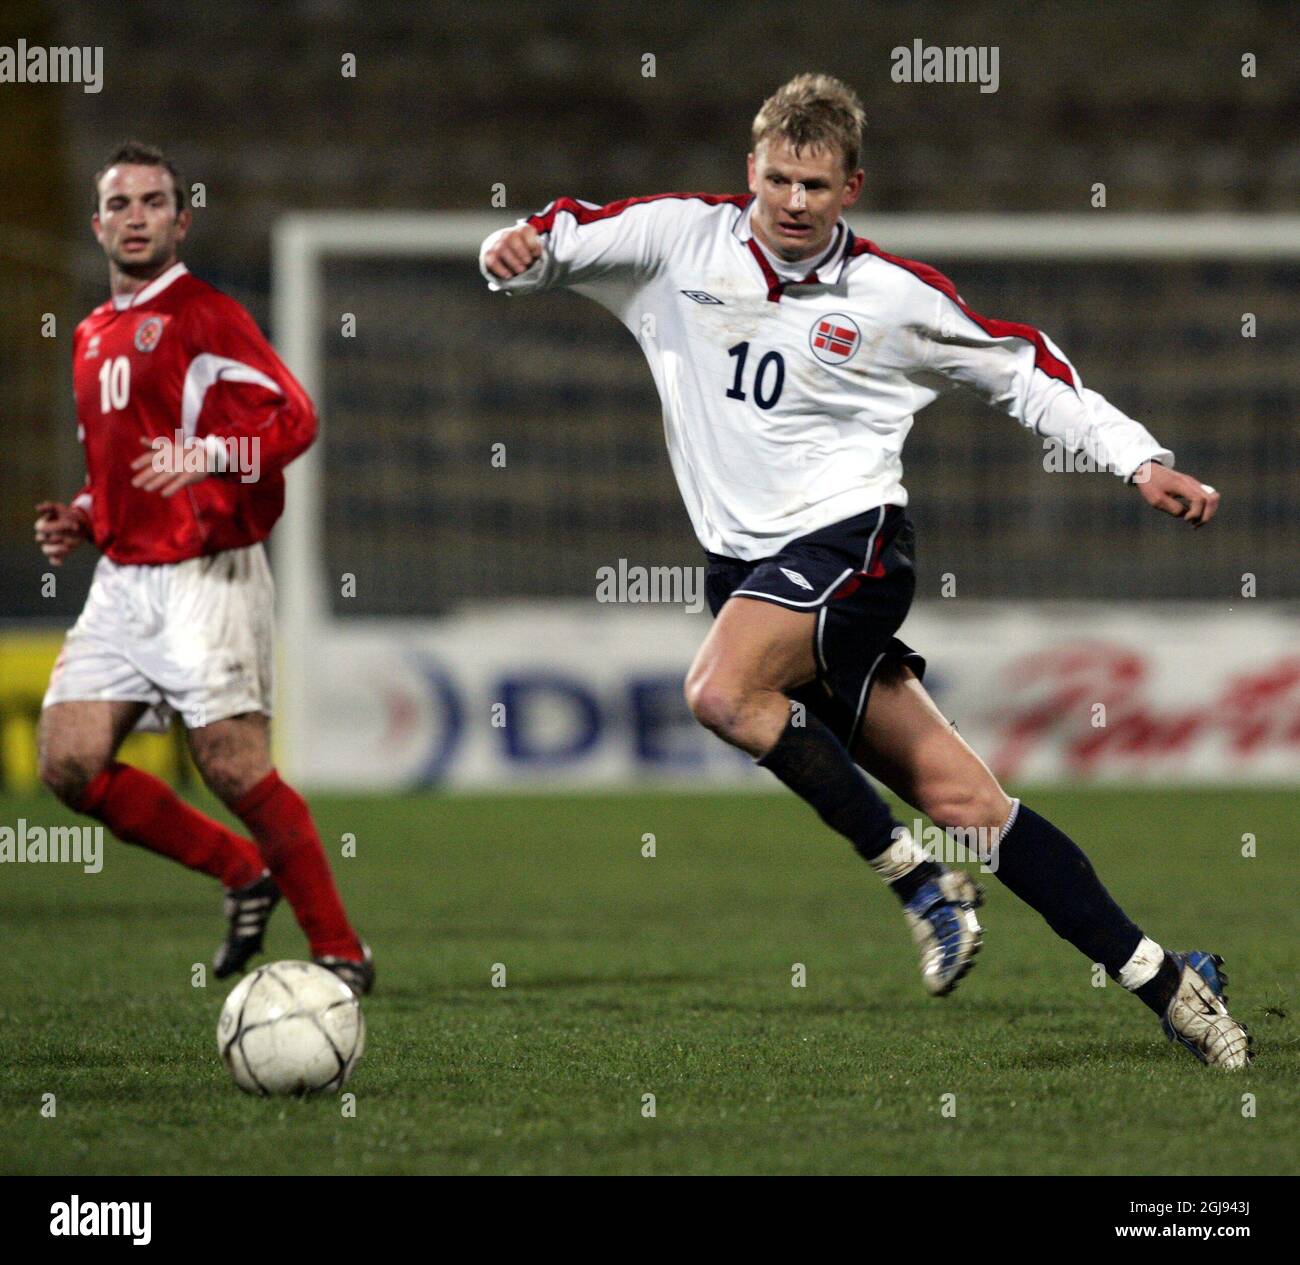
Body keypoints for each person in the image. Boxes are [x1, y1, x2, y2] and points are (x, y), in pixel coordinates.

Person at [479, 75, 1250, 1066]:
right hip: (749, 581)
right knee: (970, 807)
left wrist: (1136, 458)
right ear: (749, 171)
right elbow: (554, 238)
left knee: (719, 692)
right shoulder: (679, 241)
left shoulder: (892, 296)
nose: (793, 202)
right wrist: (509, 254)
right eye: (777, 179)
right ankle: (1171, 982)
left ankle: (921, 884)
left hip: (853, 549)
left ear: (851, 188)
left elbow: (1022, 367)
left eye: (815, 185)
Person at [36, 141, 373, 995]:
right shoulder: (89, 334)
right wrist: (83, 515)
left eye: (153, 202)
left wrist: (214, 452)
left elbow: (296, 418)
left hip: (208, 573)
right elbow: (123, 469)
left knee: (232, 764)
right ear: (97, 224)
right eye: (120, 204)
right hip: (124, 580)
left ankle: (342, 951)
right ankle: (241, 870)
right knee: (68, 761)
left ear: (181, 221)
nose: (136, 217)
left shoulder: (204, 313)